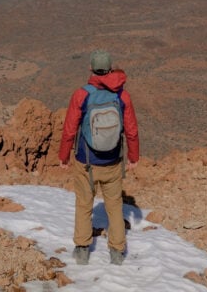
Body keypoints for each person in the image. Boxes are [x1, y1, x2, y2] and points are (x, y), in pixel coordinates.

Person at [59, 50, 140, 266]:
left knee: (84, 205)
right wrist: (133, 157)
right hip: (112, 162)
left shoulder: (82, 95)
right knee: (114, 206)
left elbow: (69, 130)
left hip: (86, 162)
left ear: (91, 69)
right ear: (111, 69)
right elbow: (131, 130)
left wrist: (64, 156)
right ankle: (117, 252)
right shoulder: (122, 96)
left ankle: (82, 250)